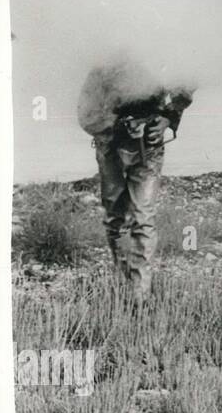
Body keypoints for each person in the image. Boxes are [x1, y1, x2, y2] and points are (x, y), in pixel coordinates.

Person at [77, 53, 194, 300]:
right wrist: (118, 127)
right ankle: (123, 283)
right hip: (110, 147)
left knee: (143, 216)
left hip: (148, 147)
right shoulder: (101, 67)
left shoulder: (156, 53)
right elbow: (85, 115)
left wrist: (167, 119)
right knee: (114, 214)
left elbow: (185, 85)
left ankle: (140, 294)